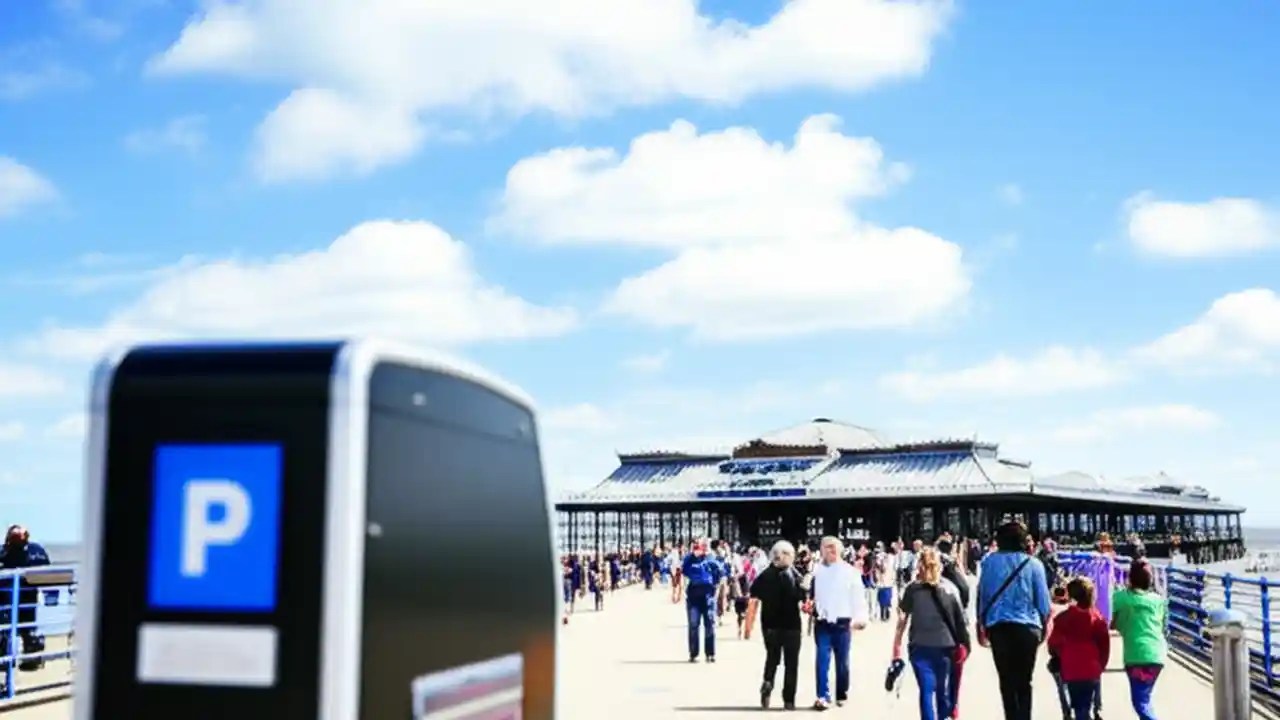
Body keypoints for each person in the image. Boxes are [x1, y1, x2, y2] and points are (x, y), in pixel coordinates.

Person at [976, 521, 1050, 720]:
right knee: (1025, 681)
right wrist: (1045, 628)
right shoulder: (1034, 564)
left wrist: (980, 624)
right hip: (1028, 627)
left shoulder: (989, 562)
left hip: (999, 627)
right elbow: (1043, 603)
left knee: (1006, 681)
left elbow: (983, 594)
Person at [893, 547, 970, 720]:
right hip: (946, 646)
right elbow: (960, 621)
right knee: (942, 690)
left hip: (919, 646)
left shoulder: (912, 589)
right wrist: (966, 645)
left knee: (926, 690)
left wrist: (896, 647)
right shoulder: (950, 589)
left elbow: (902, 620)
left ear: (919, 565)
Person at [807, 536, 870, 711]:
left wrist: (861, 618)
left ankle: (842, 692)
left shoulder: (850, 572)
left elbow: (858, 597)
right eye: (826, 547)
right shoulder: (817, 571)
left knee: (842, 663)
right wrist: (810, 606)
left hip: (843, 623)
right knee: (822, 660)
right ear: (821, 550)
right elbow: (812, 595)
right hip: (823, 622)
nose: (830, 550)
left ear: (840, 550)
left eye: (833, 547)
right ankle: (822, 695)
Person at [745, 541, 807, 710]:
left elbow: (753, 599)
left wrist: (747, 626)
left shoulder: (764, 576)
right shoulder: (795, 576)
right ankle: (789, 699)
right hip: (791, 625)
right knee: (791, 663)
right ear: (788, 556)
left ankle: (767, 683)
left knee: (772, 658)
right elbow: (804, 599)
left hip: (770, 625)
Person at [1111, 558, 1167, 720]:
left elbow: (1111, 622)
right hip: (1157, 654)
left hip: (1136, 656)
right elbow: (1162, 623)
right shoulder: (1158, 600)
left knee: (1141, 702)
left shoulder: (1121, 598)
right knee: (1145, 698)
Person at [1048, 577, 1110, 720]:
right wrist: (1101, 666)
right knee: (1085, 706)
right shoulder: (1098, 619)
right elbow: (1104, 647)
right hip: (1093, 670)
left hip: (1071, 670)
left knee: (1079, 708)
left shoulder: (1063, 619)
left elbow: (1053, 643)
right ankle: (1097, 709)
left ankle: (1069, 713)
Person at [0, 525, 51, 672]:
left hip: (27, 596)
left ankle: (32, 659)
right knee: (5, 630)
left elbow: (46, 572)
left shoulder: (35, 552)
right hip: (6, 597)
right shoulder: (4, 553)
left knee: (27, 630)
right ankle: (5, 660)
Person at [675, 538, 724, 662]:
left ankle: (710, 653)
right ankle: (693, 653)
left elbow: (719, 572)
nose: (699, 550)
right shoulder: (689, 559)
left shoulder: (710, 559)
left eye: (701, 547)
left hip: (708, 596)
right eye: (697, 547)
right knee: (693, 624)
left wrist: (716, 587)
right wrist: (692, 555)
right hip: (693, 596)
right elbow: (683, 569)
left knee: (709, 624)